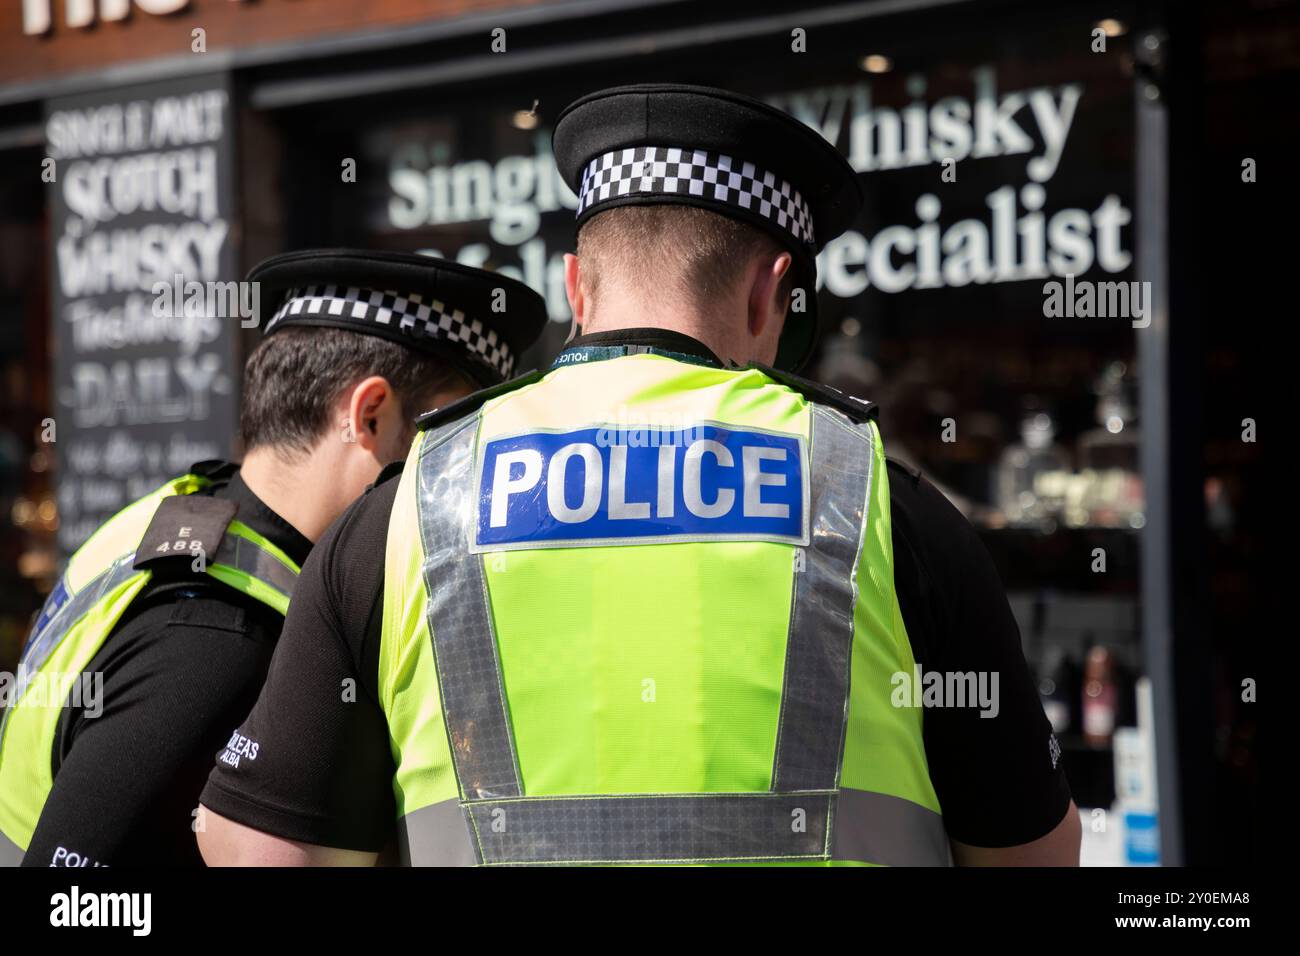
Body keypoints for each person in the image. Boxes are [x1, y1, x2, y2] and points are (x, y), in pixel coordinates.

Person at [197, 86, 1080, 866]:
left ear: (578, 286)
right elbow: (1034, 856)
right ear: (770, 294)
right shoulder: (882, 501)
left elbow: (258, 850)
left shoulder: (406, 511)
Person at [0, 249, 546, 866]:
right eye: (445, 435)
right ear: (369, 416)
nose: (458, 468)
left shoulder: (190, 512)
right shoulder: (220, 641)